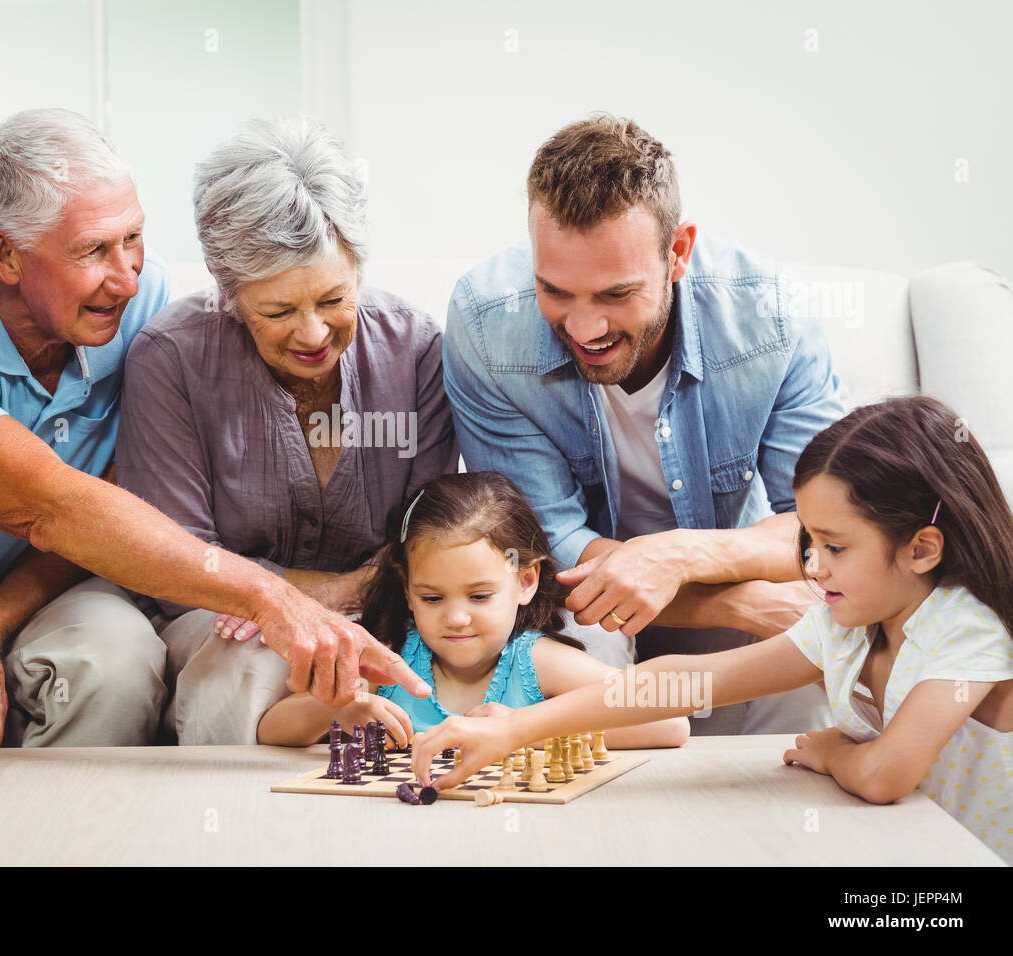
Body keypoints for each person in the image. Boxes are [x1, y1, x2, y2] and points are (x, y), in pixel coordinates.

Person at [0, 110, 428, 749]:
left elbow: (106, 496)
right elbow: (48, 505)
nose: (128, 276)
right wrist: (268, 597)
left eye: (134, 237)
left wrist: (3, 617)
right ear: (5, 253)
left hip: (55, 573)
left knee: (112, 665)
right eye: (94, 250)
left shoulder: (137, 305)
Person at [412, 396, 1013, 863]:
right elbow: (689, 682)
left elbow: (884, 777)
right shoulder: (850, 624)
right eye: (807, 541)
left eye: (835, 546)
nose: (811, 566)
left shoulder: (968, 628)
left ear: (922, 548)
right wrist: (518, 727)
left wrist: (834, 752)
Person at [444, 113, 842, 733]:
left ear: (677, 252)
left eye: (614, 294)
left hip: (734, 569)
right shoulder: (484, 326)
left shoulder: (770, 319)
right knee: (588, 642)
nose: (583, 328)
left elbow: (829, 528)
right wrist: (737, 602)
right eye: (555, 291)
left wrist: (682, 555)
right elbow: (548, 550)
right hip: (583, 604)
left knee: (812, 655)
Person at [118, 116, 459, 745]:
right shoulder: (171, 359)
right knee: (249, 660)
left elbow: (429, 536)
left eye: (333, 300)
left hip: (394, 606)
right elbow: (186, 565)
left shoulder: (415, 349)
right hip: (227, 618)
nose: (312, 334)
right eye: (277, 311)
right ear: (228, 292)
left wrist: (362, 597)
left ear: (358, 266)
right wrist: (318, 596)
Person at [257, 471, 688, 749]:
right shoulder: (389, 664)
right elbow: (271, 730)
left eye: (479, 596)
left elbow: (670, 722)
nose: (456, 617)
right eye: (432, 598)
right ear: (406, 589)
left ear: (525, 581)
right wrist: (335, 709)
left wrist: (529, 730)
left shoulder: (536, 663)